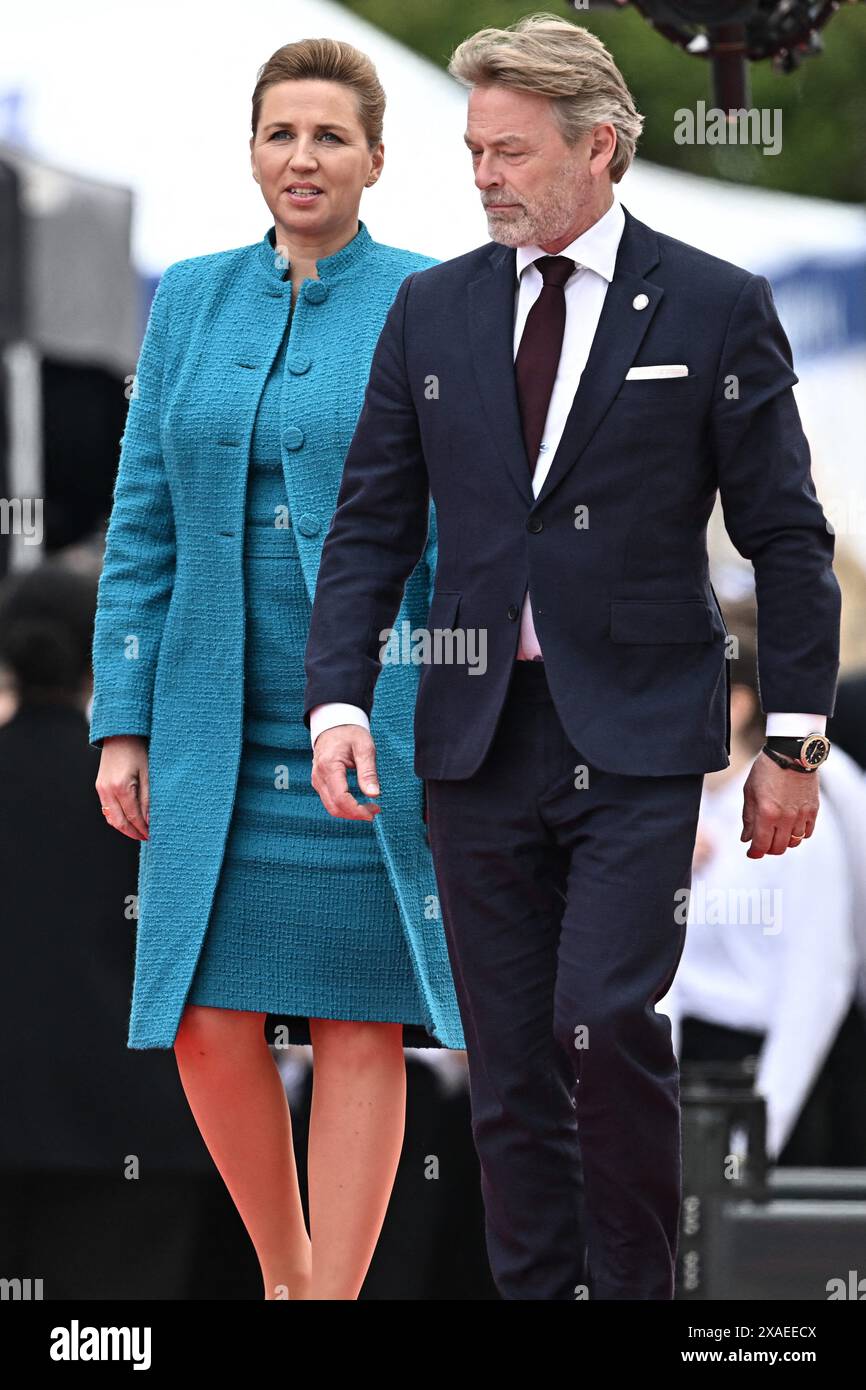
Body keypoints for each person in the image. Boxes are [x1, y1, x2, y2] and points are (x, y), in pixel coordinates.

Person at [303, 14, 841, 1300]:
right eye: (472, 150)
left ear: (597, 146)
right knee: (506, 1063)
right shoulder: (430, 309)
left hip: (642, 736)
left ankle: (639, 1295)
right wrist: (336, 697)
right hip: (475, 736)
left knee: (597, 1022)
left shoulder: (716, 305)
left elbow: (783, 532)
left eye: (508, 152)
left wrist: (791, 741)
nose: (481, 175)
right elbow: (373, 517)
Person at [89, 37, 463, 1302]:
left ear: (373, 158)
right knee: (202, 1019)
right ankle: (286, 1275)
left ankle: (330, 1299)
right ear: (252, 151)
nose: (302, 157)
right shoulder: (188, 298)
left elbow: (469, 523)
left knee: (360, 1021)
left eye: (329, 137)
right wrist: (121, 721)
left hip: (373, 715)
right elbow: (141, 522)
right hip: (204, 716)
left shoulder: (430, 297)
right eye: (280, 134)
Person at [658, 597, 866, 1167]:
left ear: (739, 705)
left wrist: (759, 1136)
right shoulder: (660, 820)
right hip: (672, 1083)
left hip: (765, 1086)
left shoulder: (798, 821)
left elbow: (817, 986)